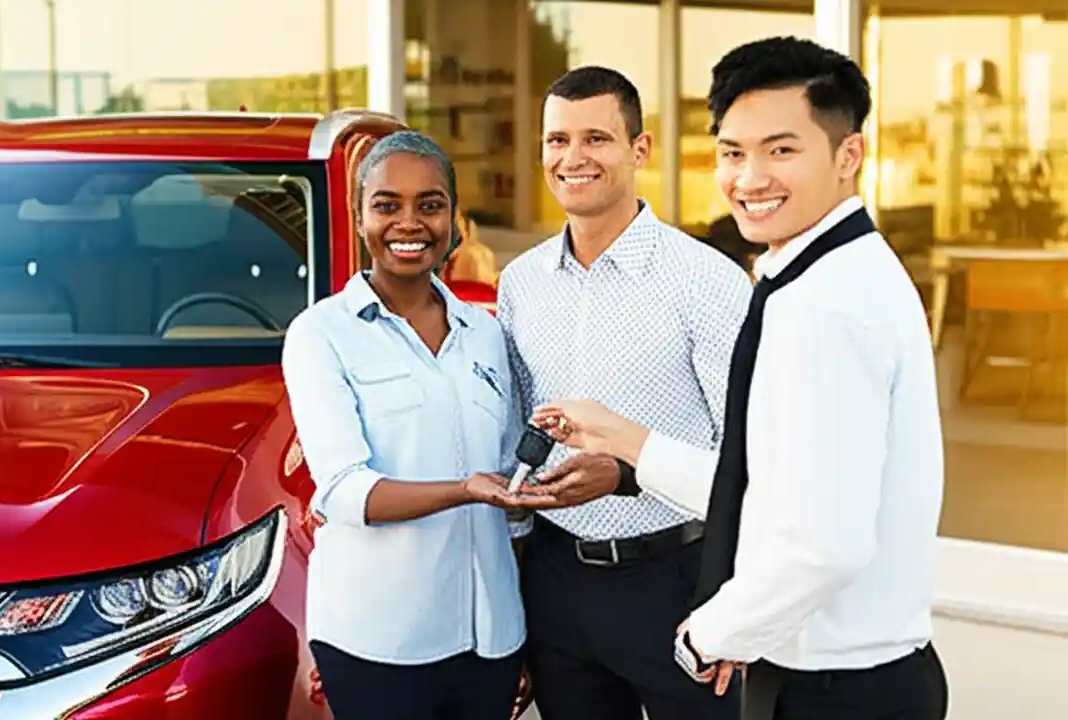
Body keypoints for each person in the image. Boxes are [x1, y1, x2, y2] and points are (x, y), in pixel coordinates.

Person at [538, 38, 949, 720]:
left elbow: (821, 546)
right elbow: (771, 492)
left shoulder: (824, 304)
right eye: (733, 152)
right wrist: (629, 441)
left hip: (835, 691)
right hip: (859, 680)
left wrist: (716, 631)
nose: (749, 177)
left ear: (849, 156)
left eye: (782, 150)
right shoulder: (828, 274)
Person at [496, 65, 752, 720]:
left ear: (640, 150)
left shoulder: (707, 281)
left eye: (595, 139)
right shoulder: (520, 284)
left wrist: (737, 604)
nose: (572, 158)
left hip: (677, 581)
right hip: (556, 584)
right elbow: (520, 443)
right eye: (557, 141)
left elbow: (749, 457)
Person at [281, 130, 554, 720]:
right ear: (359, 218)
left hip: (490, 637)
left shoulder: (485, 334)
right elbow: (346, 490)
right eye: (387, 205)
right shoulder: (321, 334)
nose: (410, 223)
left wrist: (526, 631)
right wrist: (464, 490)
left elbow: (512, 502)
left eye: (430, 205)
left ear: (453, 220)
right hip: (380, 639)